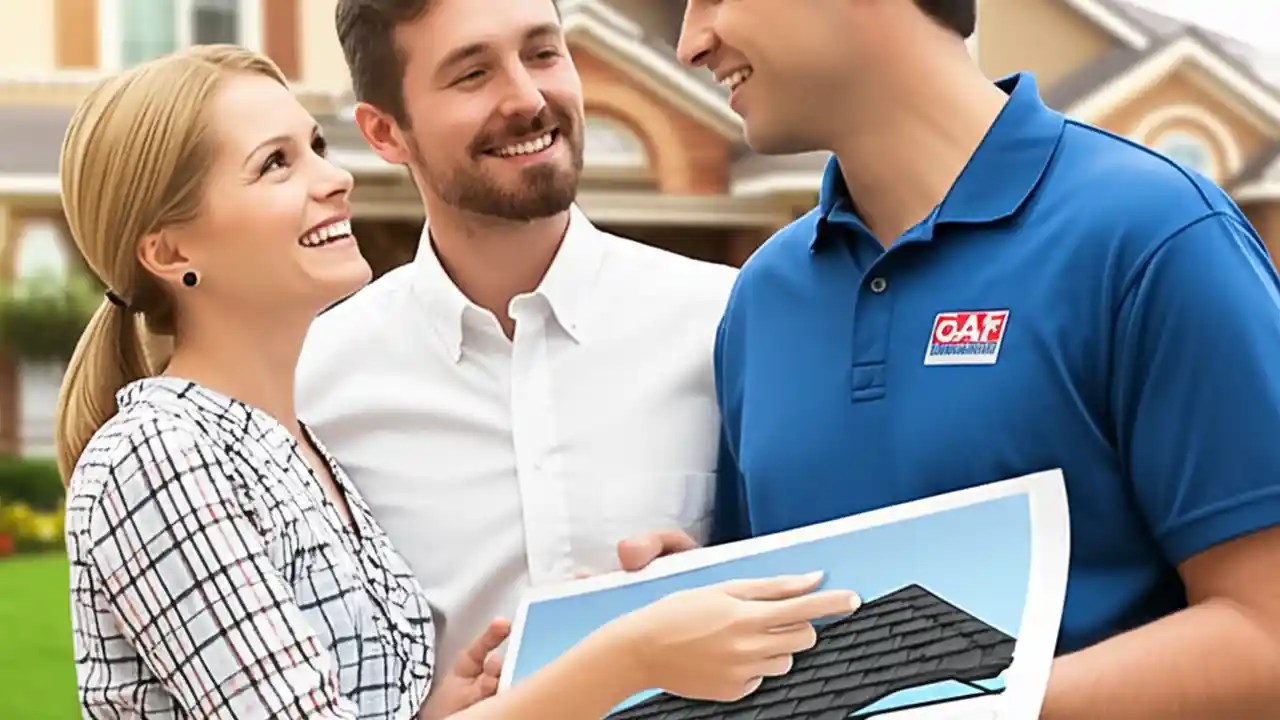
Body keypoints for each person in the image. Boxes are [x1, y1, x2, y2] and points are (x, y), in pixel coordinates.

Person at [54, 44, 861, 720]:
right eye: (274, 165)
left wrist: (456, 700)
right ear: (168, 254)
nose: (334, 180)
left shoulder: (297, 445)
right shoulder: (161, 455)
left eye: (315, 148)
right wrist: (628, 656)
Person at [669, 0, 1280, 717]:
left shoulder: (1154, 236)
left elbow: (1264, 632)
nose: (689, 43)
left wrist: (947, 710)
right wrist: (680, 609)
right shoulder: (762, 300)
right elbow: (788, 653)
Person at [294, 0, 738, 675]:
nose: (529, 99)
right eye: (473, 74)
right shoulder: (313, 391)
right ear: (386, 133)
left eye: (542, 53)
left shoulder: (726, 324)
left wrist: (717, 579)